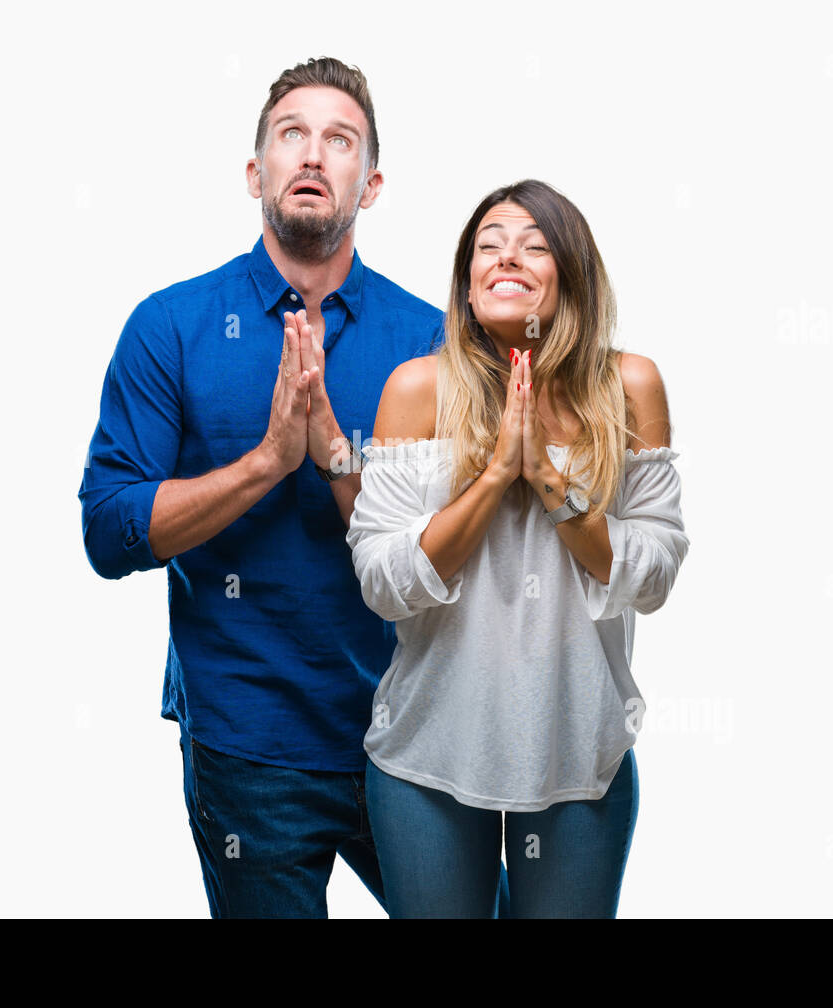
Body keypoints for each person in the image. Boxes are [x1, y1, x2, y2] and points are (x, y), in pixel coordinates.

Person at [77, 57, 509, 917]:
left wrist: (330, 459)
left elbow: (445, 560)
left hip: (410, 735)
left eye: (339, 140)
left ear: (371, 183)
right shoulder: (171, 326)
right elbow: (109, 530)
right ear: (255, 172)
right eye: (292, 135)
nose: (314, 155)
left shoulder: (430, 341)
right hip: (250, 746)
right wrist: (265, 463)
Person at [346, 179, 691, 918]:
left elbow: (654, 575)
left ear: (571, 278)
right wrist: (496, 474)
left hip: (579, 759)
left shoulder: (630, 387)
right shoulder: (418, 389)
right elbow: (380, 581)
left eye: (535, 245)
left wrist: (547, 479)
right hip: (426, 760)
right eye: (489, 246)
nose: (509, 257)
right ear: (468, 290)